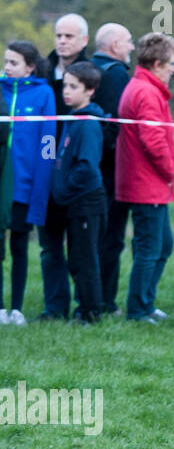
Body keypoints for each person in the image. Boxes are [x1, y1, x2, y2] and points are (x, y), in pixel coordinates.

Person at [116, 32, 174, 324]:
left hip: (149, 184)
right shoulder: (146, 91)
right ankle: (138, 310)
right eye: (172, 63)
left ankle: (146, 302)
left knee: (163, 245)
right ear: (157, 64)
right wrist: (169, 172)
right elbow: (153, 141)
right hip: (146, 184)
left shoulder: (146, 87)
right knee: (149, 249)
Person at [37, 13, 91, 320]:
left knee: (83, 250)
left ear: (83, 40)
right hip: (46, 169)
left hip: (79, 174)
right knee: (50, 247)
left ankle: (88, 308)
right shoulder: (43, 72)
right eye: (58, 35)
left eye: (69, 36)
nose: (62, 41)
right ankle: (54, 308)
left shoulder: (92, 74)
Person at [1, 41, 55, 326]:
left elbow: (48, 141)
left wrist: (42, 178)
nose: (7, 67)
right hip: (0, 187)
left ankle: (17, 308)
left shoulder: (44, 93)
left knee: (19, 247)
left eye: (13, 63)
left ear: (30, 67)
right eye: (5, 61)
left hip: (24, 185)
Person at [49, 63, 107, 324]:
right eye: (65, 85)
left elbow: (87, 166)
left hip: (86, 202)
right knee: (76, 259)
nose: (67, 92)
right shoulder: (73, 118)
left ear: (90, 90)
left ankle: (91, 312)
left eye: (74, 87)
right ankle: (83, 307)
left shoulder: (88, 124)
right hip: (74, 202)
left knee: (85, 260)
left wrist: (64, 188)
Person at [91, 23, 133, 316]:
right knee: (111, 237)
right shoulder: (117, 74)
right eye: (128, 42)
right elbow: (118, 122)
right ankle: (105, 301)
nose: (131, 47)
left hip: (88, 165)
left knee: (91, 236)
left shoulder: (87, 67)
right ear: (115, 45)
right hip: (111, 168)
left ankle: (91, 297)